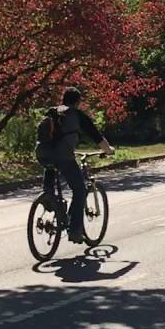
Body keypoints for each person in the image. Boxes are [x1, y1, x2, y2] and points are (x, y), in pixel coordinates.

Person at [36, 88, 115, 243]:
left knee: (51, 165)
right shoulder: (76, 115)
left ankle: (48, 196)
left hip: (43, 154)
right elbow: (95, 135)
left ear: (63, 99)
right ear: (78, 102)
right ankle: (74, 229)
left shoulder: (52, 112)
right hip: (63, 156)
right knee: (80, 190)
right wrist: (108, 150)